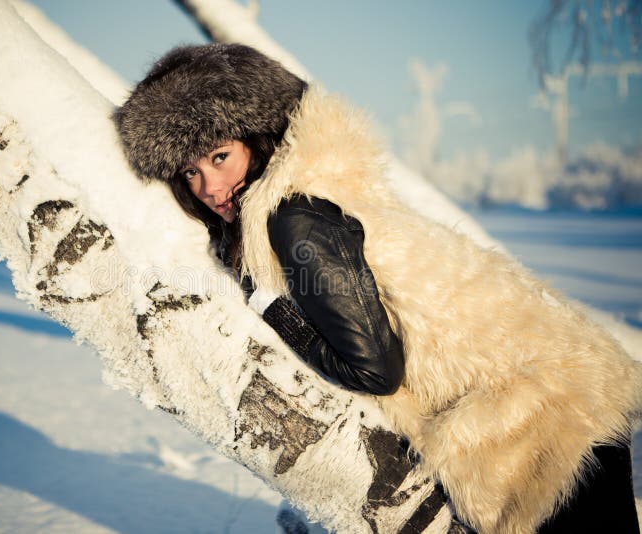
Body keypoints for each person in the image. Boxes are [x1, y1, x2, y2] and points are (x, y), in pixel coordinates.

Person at [113, 43, 642, 533]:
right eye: (189, 172)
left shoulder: (293, 220)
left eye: (220, 156)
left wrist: (273, 307)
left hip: (547, 413)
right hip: (570, 379)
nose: (208, 187)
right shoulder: (327, 185)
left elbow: (375, 368)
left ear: (257, 139)